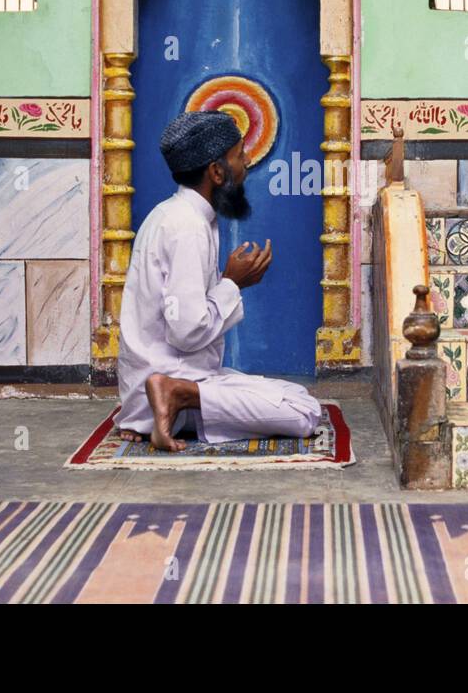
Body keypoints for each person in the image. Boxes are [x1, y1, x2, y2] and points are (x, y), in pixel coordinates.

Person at [115, 110, 324, 452]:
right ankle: (175, 396)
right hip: (173, 377)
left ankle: (172, 398)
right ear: (216, 171)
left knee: (296, 393)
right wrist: (232, 283)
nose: (248, 160)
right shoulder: (187, 228)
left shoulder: (178, 215)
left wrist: (229, 283)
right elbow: (186, 332)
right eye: (240, 155)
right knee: (303, 413)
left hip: (170, 378)